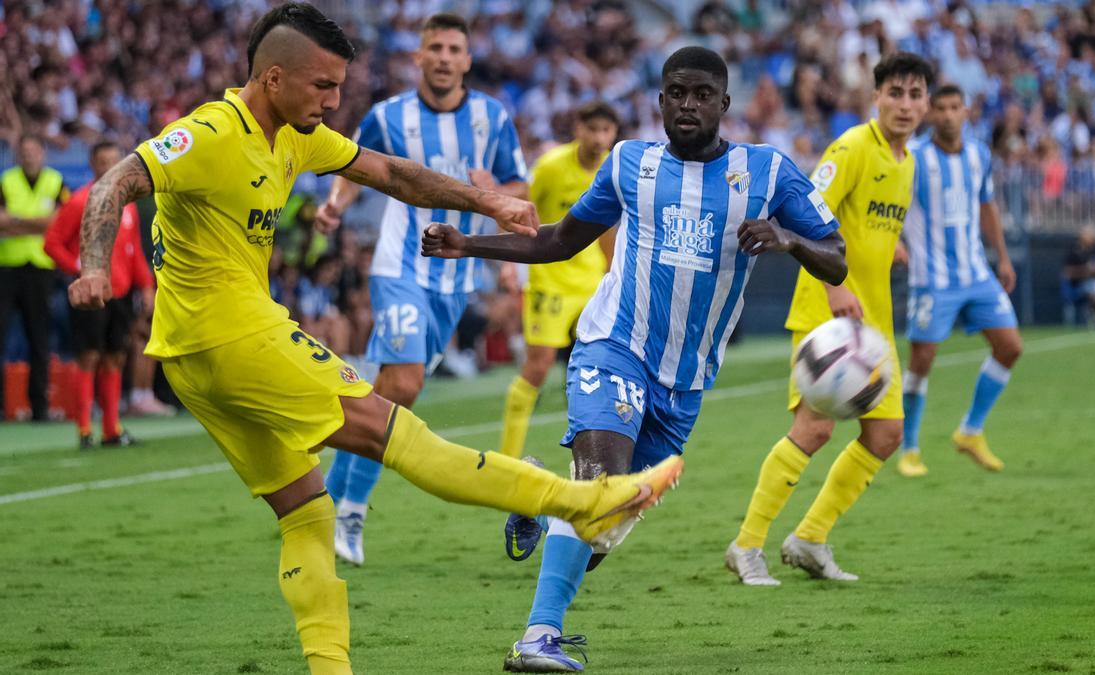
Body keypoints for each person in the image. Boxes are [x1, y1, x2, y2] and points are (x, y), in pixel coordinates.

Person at [66, 5, 682, 674]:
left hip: (191, 360)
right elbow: (115, 181)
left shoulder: (295, 135)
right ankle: (587, 501)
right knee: (402, 431)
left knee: (305, 511)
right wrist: (94, 263)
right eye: (323, 87)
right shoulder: (213, 131)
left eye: (338, 88)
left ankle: (330, 666)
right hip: (237, 335)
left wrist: (490, 203)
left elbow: (390, 174)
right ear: (273, 78)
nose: (333, 103)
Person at [424, 46, 846, 672]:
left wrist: (787, 239)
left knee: (603, 526)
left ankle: (539, 496)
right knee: (599, 488)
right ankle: (538, 637)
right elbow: (559, 242)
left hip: (687, 381)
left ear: (724, 104)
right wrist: (467, 245)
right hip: (612, 347)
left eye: (702, 94)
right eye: (676, 92)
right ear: (659, 101)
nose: (687, 104)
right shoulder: (628, 164)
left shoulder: (768, 171)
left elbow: (835, 256)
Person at [315, 13, 530, 566]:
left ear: (466, 60)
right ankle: (353, 511)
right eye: (433, 46)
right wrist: (336, 206)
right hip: (400, 268)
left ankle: (327, 502)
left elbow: (517, 186)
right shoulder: (389, 117)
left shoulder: (492, 118)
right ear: (418, 56)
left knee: (390, 392)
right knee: (403, 387)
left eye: (453, 48)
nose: (442, 56)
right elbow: (350, 163)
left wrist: (494, 189)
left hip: (457, 280)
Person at [726, 52, 933, 587]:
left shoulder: (906, 160)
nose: (905, 105)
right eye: (896, 94)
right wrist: (836, 285)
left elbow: (864, 226)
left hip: (875, 320)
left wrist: (895, 247)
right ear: (877, 96)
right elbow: (805, 215)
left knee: (886, 434)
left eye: (915, 95)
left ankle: (810, 538)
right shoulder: (851, 148)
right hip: (829, 309)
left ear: (925, 103)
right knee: (814, 429)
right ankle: (747, 545)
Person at [499, 100, 620, 563]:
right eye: (592, 128)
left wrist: (612, 273)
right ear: (578, 129)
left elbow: (606, 224)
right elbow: (517, 209)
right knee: (537, 367)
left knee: (601, 368)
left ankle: (588, 465)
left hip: (589, 283)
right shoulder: (551, 167)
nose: (598, 137)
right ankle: (508, 466)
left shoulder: (610, 168)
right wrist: (513, 268)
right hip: (550, 279)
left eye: (606, 128)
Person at [895, 84, 1023, 478]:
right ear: (930, 114)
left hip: (975, 273)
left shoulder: (978, 154)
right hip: (931, 278)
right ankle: (910, 448)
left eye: (955, 107)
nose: (948, 115)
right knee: (922, 360)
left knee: (1010, 347)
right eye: (941, 108)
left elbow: (986, 205)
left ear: (965, 111)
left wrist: (1001, 255)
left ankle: (971, 430)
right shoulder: (913, 157)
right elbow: (889, 201)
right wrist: (896, 241)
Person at [43, 140, 154, 448]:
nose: (109, 167)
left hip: (120, 292)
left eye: (114, 161)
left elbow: (133, 253)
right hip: (93, 293)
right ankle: (83, 429)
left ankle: (111, 429)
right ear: (93, 165)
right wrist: (81, 268)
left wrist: (146, 285)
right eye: (103, 161)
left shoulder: (127, 205)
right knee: (88, 357)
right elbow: (52, 243)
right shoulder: (81, 201)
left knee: (114, 358)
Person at [0, 133, 70, 421]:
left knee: (40, 338)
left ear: (43, 153)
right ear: (18, 155)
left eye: (34, 151)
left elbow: (58, 221)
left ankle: (39, 406)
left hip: (40, 268)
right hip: (8, 266)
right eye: (24, 151)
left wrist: (15, 221)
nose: (29, 156)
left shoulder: (55, 181)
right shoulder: (6, 180)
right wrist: (37, 223)